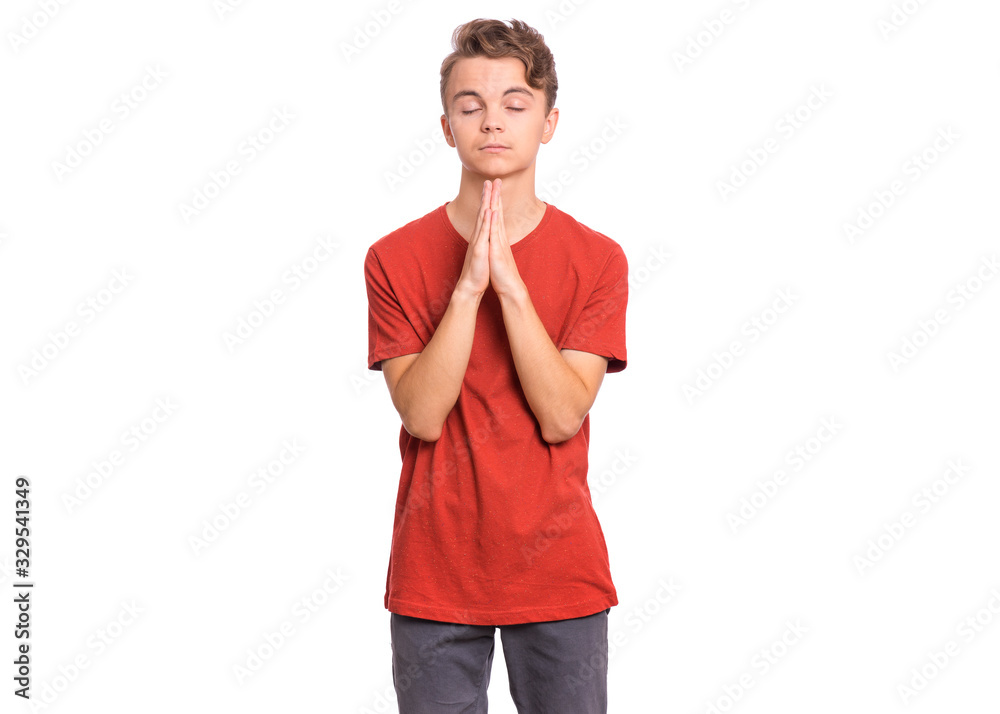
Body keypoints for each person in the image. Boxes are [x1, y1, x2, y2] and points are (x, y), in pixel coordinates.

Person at [363, 17, 628, 713]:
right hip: (435, 570)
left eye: (515, 103)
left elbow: (562, 413)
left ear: (549, 122)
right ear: (447, 126)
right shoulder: (393, 257)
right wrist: (468, 288)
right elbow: (422, 413)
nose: (492, 122)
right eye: (470, 105)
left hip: (560, 572)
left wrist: (509, 284)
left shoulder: (597, 258)